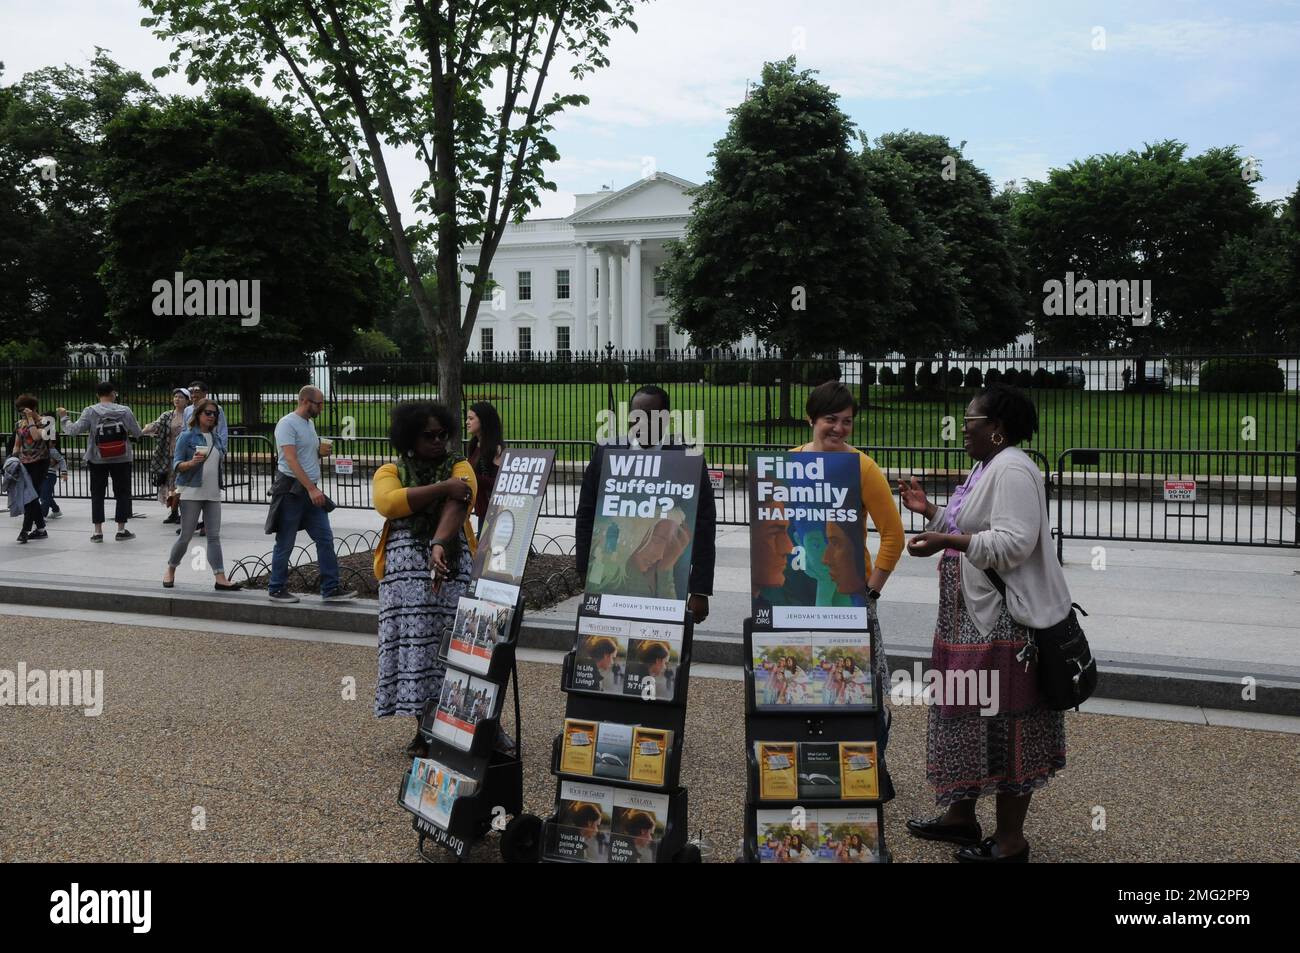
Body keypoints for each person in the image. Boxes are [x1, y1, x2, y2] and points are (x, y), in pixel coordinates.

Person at [900, 383, 1070, 864]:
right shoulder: (986, 467)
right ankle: (960, 817)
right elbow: (971, 526)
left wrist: (943, 540)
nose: (963, 429)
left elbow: (1014, 544)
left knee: (1004, 726)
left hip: (1002, 625)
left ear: (996, 429)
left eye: (970, 420)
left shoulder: (1014, 469)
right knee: (965, 719)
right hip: (967, 622)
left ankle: (1011, 841)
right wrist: (930, 512)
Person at [793, 381, 904, 743]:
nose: (839, 428)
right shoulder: (790, 463)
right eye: (830, 419)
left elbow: (893, 535)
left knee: (858, 689)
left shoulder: (863, 468)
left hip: (852, 596)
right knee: (804, 684)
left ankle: (871, 769)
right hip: (799, 596)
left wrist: (871, 591)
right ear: (811, 418)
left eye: (847, 421)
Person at [371, 400, 477, 757]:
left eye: (443, 434)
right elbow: (389, 503)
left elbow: (463, 496)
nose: (438, 442)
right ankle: (423, 728)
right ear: (409, 439)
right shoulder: (391, 470)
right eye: (428, 435)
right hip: (404, 586)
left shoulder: (458, 466)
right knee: (416, 653)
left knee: (450, 650)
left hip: (449, 570)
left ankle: (456, 726)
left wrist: (437, 542)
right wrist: (441, 488)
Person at [575, 385, 715, 625]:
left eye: (650, 417)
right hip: (611, 586)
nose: (640, 423)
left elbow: (704, 523)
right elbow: (586, 514)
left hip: (665, 591)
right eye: (635, 416)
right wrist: (583, 569)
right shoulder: (606, 453)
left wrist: (700, 589)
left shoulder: (687, 459)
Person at [266, 386, 356, 603]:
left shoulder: (309, 423)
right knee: (286, 541)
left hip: (309, 490)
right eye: (319, 404)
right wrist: (312, 488)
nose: (322, 408)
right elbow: (290, 459)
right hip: (292, 491)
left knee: (325, 537)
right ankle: (276, 588)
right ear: (306, 401)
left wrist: (318, 452)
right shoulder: (287, 424)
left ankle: (331, 588)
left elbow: (304, 454)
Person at [163, 398, 241, 592]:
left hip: (212, 493)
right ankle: (171, 569)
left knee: (214, 536)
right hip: (191, 492)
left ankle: (220, 577)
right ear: (198, 415)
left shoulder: (217, 438)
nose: (212, 416)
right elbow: (177, 465)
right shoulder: (187, 436)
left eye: (215, 414)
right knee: (186, 536)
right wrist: (191, 463)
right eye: (208, 413)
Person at [57, 381, 143, 542]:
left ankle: (98, 532)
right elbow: (137, 433)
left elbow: (73, 431)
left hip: (97, 458)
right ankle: (121, 529)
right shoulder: (125, 411)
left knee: (97, 494)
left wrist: (63, 418)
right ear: (113, 394)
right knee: (122, 493)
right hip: (122, 458)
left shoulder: (90, 411)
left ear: (98, 395)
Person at [142, 388, 190, 524]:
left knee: (182, 485)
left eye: (181, 397)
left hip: (185, 456)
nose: (177, 399)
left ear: (187, 400)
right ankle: (174, 512)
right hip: (169, 456)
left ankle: (184, 513)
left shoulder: (190, 415)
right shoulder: (168, 415)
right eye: (175, 396)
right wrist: (143, 430)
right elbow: (156, 425)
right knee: (171, 486)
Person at [12, 395, 50, 543]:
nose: (22, 414)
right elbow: (17, 443)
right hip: (24, 462)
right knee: (29, 495)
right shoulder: (20, 423)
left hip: (40, 462)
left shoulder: (46, 422)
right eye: (20, 412)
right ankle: (41, 529)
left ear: (33, 408)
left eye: (25, 410)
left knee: (32, 496)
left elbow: (35, 437)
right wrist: (13, 458)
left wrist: (30, 419)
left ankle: (25, 530)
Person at [465, 401, 503, 534]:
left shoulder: (496, 449)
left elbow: (498, 483)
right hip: (481, 510)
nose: (467, 422)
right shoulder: (475, 445)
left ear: (484, 421)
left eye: (471, 418)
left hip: (492, 513)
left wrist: (471, 478)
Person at [39, 445, 68, 520]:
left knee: (44, 496)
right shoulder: (37, 447)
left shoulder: (51, 450)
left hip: (49, 475)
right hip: (41, 474)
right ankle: (56, 510)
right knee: (45, 495)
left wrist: (64, 472)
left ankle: (42, 515)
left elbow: (61, 460)